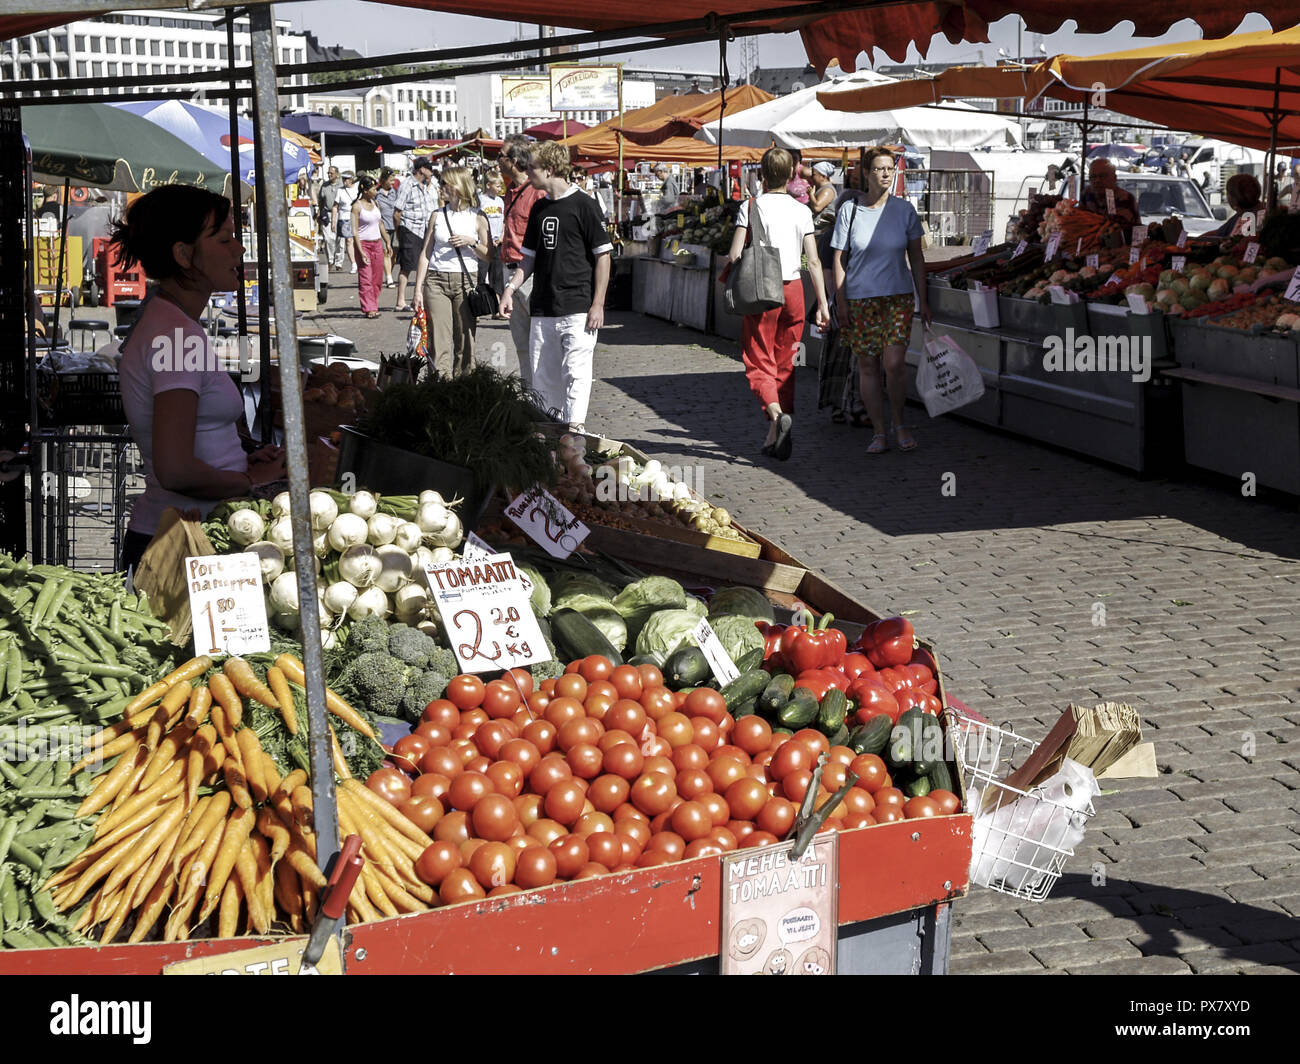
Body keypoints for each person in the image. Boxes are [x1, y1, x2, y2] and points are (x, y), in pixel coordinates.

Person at [109, 185, 286, 573]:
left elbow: (192, 439)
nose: (238, 249)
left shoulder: (169, 321)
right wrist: (248, 480)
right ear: (184, 255)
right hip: (179, 546)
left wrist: (240, 457)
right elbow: (175, 469)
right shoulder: (176, 334)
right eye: (223, 239)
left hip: (179, 536)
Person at [499, 141, 612, 433]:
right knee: (543, 378)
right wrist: (511, 289)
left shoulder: (585, 205)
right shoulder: (539, 207)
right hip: (543, 307)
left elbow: (603, 256)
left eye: (532, 167)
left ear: (549, 170)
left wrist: (598, 303)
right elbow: (528, 260)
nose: (527, 171)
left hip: (578, 307)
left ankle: (575, 433)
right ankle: (552, 437)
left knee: (576, 373)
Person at [726, 146, 830, 461]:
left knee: (758, 360)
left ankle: (775, 414)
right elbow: (813, 261)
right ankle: (775, 435)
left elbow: (733, 255)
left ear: (761, 174)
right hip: (795, 291)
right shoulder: (802, 211)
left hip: (762, 291)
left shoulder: (751, 206)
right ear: (791, 175)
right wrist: (823, 305)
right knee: (786, 365)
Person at [830, 146, 930, 455]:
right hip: (860, 299)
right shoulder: (850, 210)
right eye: (879, 169)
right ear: (866, 173)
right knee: (868, 366)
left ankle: (900, 423)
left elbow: (917, 255)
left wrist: (923, 300)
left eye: (890, 168)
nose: (886, 174)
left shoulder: (904, 211)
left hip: (897, 298)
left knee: (894, 363)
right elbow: (839, 259)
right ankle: (878, 430)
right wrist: (841, 300)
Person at [415, 166, 491, 377]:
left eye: (444, 184)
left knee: (465, 340)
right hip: (436, 280)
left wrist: (471, 242)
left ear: (457, 187)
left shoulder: (478, 217)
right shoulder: (437, 215)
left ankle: (464, 385)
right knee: (438, 339)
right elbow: (425, 254)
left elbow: (488, 254)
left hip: (465, 280)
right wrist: (418, 290)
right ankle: (440, 385)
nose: (440, 188)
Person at [497, 137, 546, 384]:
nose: (497, 161)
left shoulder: (536, 192)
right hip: (510, 272)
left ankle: (544, 395)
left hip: (529, 273)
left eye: (501, 156)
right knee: (521, 342)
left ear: (514, 161)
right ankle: (531, 396)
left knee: (539, 340)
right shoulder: (510, 191)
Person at [392, 155, 437, 312]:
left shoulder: (424, 186)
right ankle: (400, 301)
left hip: (423, 229)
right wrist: (400, 232)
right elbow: (397, 212)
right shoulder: (407, 185)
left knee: (422, 265)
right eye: (429, 169)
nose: (432, 172)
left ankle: (419, 298)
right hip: (410, 229)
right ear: (422, 169)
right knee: (407, 266)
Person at [351, 175, 390, 319]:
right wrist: (360, 252)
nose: (376, 191)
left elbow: (380, 223)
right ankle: (370, 308)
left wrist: (387, 241)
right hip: (364, 245)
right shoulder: (357, 206)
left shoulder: (375, 204)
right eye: (374, 188)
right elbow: (355, 231)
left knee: (377, 278)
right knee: (366, 278)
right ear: (365, 190)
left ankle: (374, 303)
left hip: (377, 244)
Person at [1080, 159, 1141, 229]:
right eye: (1093, 177)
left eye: (1102, 176)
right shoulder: (1087, 194)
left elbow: (1117, 228)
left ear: (1114, 178)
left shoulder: (1125, 198)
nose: (1097, 180)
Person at [478, 166, 507, 296]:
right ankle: (481, 300)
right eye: (497, 186)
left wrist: (501, 237)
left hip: (498, 242)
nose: (500, 189)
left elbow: (504, 220)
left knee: (497, 274)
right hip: (484, 243)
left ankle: (498, 302)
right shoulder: (480, 200)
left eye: (501, 186)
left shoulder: (500, 201)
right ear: (488, 185)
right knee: (482, 273)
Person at [1208, 173, 1263, 238]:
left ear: (1234, 197)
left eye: (1228, 193)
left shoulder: (1255, 216)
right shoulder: (1242, 213)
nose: (1227, 197)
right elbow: (1219, 233)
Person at [375, 167, 400, 287]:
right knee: (385, 251)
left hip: (395, 226)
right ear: (384, 180)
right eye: (391, 180)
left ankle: (388, 272)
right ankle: (389, 278)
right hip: (382, 227)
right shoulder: (377, 194)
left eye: (393, 180)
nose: (393, 182)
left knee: (394, 253)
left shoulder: (396, 193)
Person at [333, 171, 358, 273]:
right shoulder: (340, 191)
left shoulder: (357, 189)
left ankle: (360, 260)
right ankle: (353, 264)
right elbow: (335, 207)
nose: (344, 181)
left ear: (351, 179)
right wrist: (333, 222)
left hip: (356, 216)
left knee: (358, 240)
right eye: (343, 179)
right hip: (344, 217)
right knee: (349, 240)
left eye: (346, 179)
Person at [317, 166, 341, 266]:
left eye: (331, 173)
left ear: (336, 174)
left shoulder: (342, 185)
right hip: (328, 213)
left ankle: (338, 262)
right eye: (328, 173)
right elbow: (321, 200)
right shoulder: (325, 186)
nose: (329, 175)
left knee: (339, 240)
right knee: (328, 238)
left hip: (340, 213)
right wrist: (320, 213)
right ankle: (331, 259)